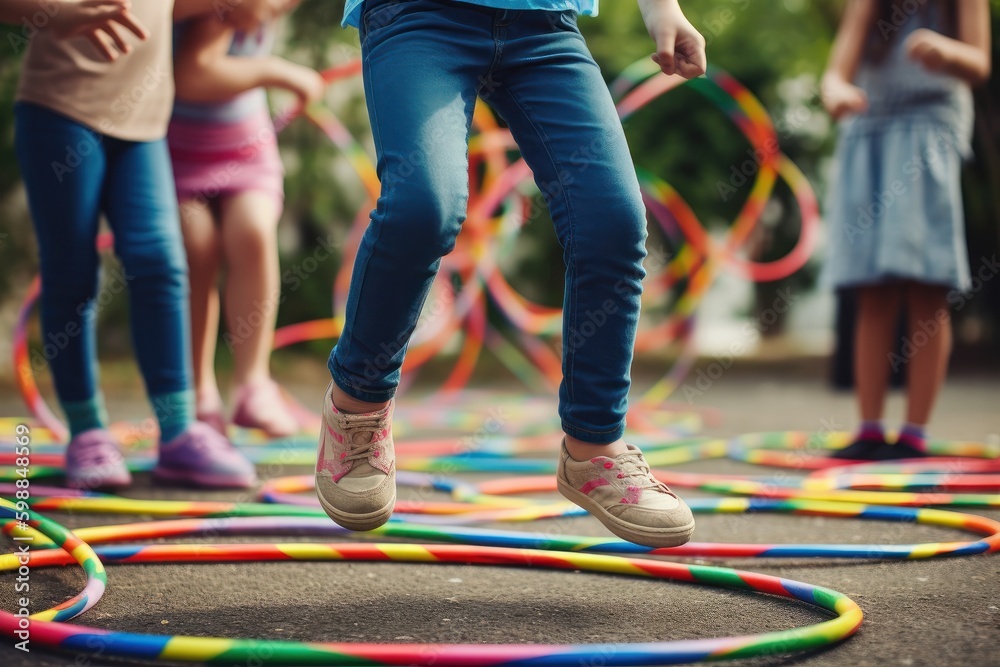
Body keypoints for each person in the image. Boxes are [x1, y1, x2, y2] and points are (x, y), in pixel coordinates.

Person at [313, 0, 705, 548]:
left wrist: (661, 8)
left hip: (544, 24)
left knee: (612, 221)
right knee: (424, 207)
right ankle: (356, 407)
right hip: (420, 16)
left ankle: (594, 448)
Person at [2, 0, 297, 489]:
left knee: (160, 263)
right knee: (72, 272)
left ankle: (179, 432)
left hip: (144, 125)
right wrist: (58, 12)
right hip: (59, 111)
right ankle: (87, 431)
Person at [821, 0, 991, 460]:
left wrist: (946, 52)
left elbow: (979, 62)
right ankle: (870, 429)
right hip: (869, 134)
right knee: (872, 287)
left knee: (927, 283)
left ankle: (915, 433)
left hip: (929, 135)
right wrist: (837, 93)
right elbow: (836, 73)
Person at [169, 15, 324, 438]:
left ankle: (252, 385)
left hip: (245, 146)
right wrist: (280, 72)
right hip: (176, 149)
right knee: (195, 249)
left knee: (254, 233)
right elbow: (191, 74)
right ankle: (198, 391)